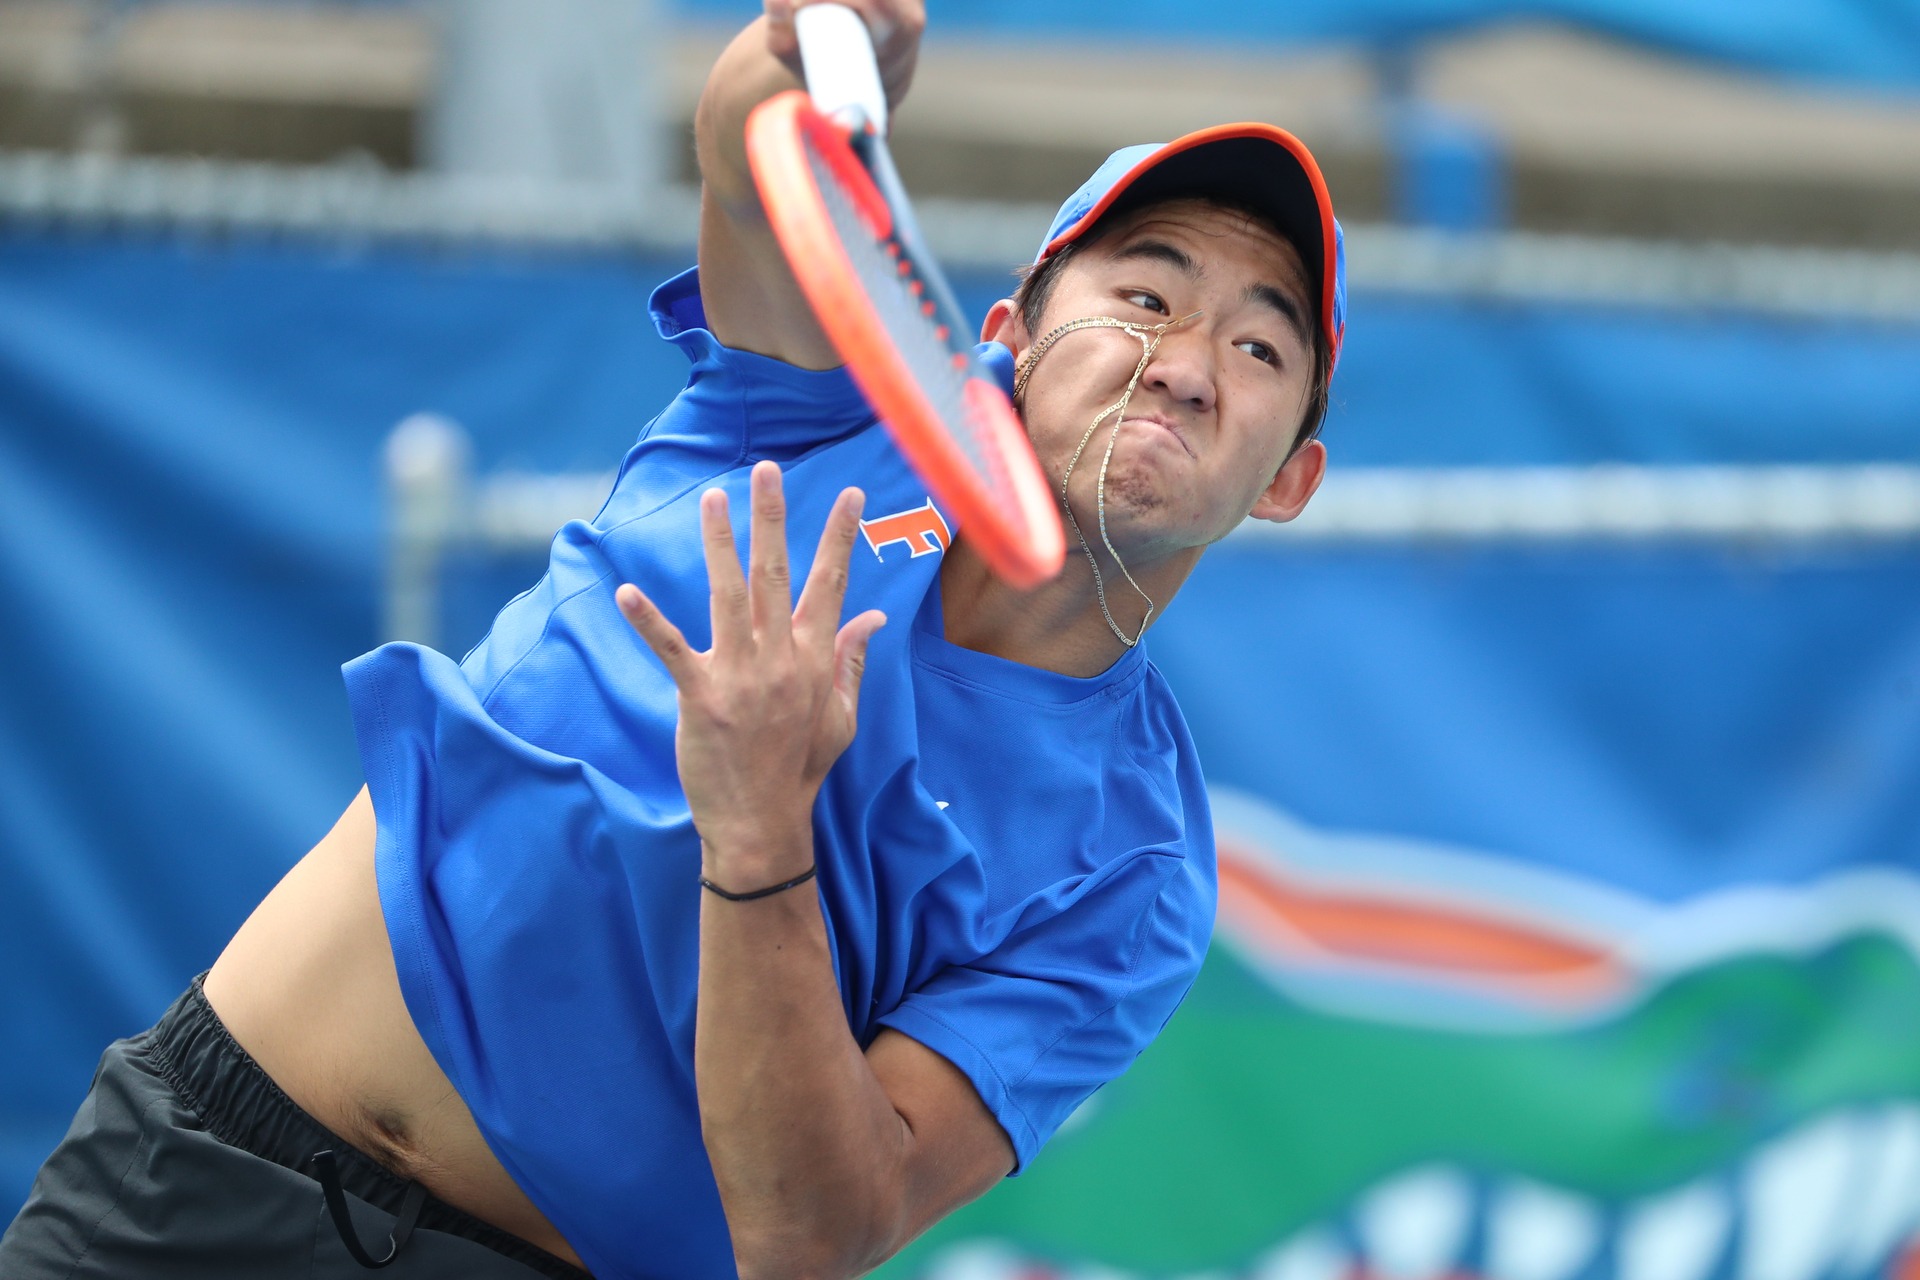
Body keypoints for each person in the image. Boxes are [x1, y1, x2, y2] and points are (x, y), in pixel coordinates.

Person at [0, 1, 1345, 1277]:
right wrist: (805, 53)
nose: (1183, 363)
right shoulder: (825, 410)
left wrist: (761, 841)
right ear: (1007, 335)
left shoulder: (1138, 876)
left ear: (1289, 477)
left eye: (1259, 348)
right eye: (1146, 297)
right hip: (191, 1169)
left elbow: (822, 1235)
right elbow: (757, 162)